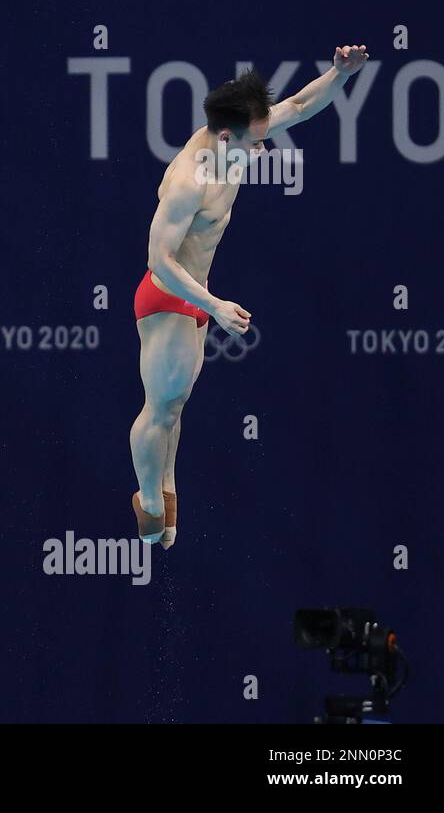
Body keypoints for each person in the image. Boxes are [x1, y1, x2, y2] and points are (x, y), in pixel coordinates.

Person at [129, 45, 369, 547]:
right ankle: (149, 501)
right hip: (168, 298)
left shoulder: (237, 138)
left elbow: (300, 107)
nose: (264, 149)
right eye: (255, 142)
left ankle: (167, 486)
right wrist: (213, 306)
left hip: (198, 296)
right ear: (223, 136)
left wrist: (340, 76)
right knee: (159, 407)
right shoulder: (188, 181)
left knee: (175, 406)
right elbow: (159, 262)